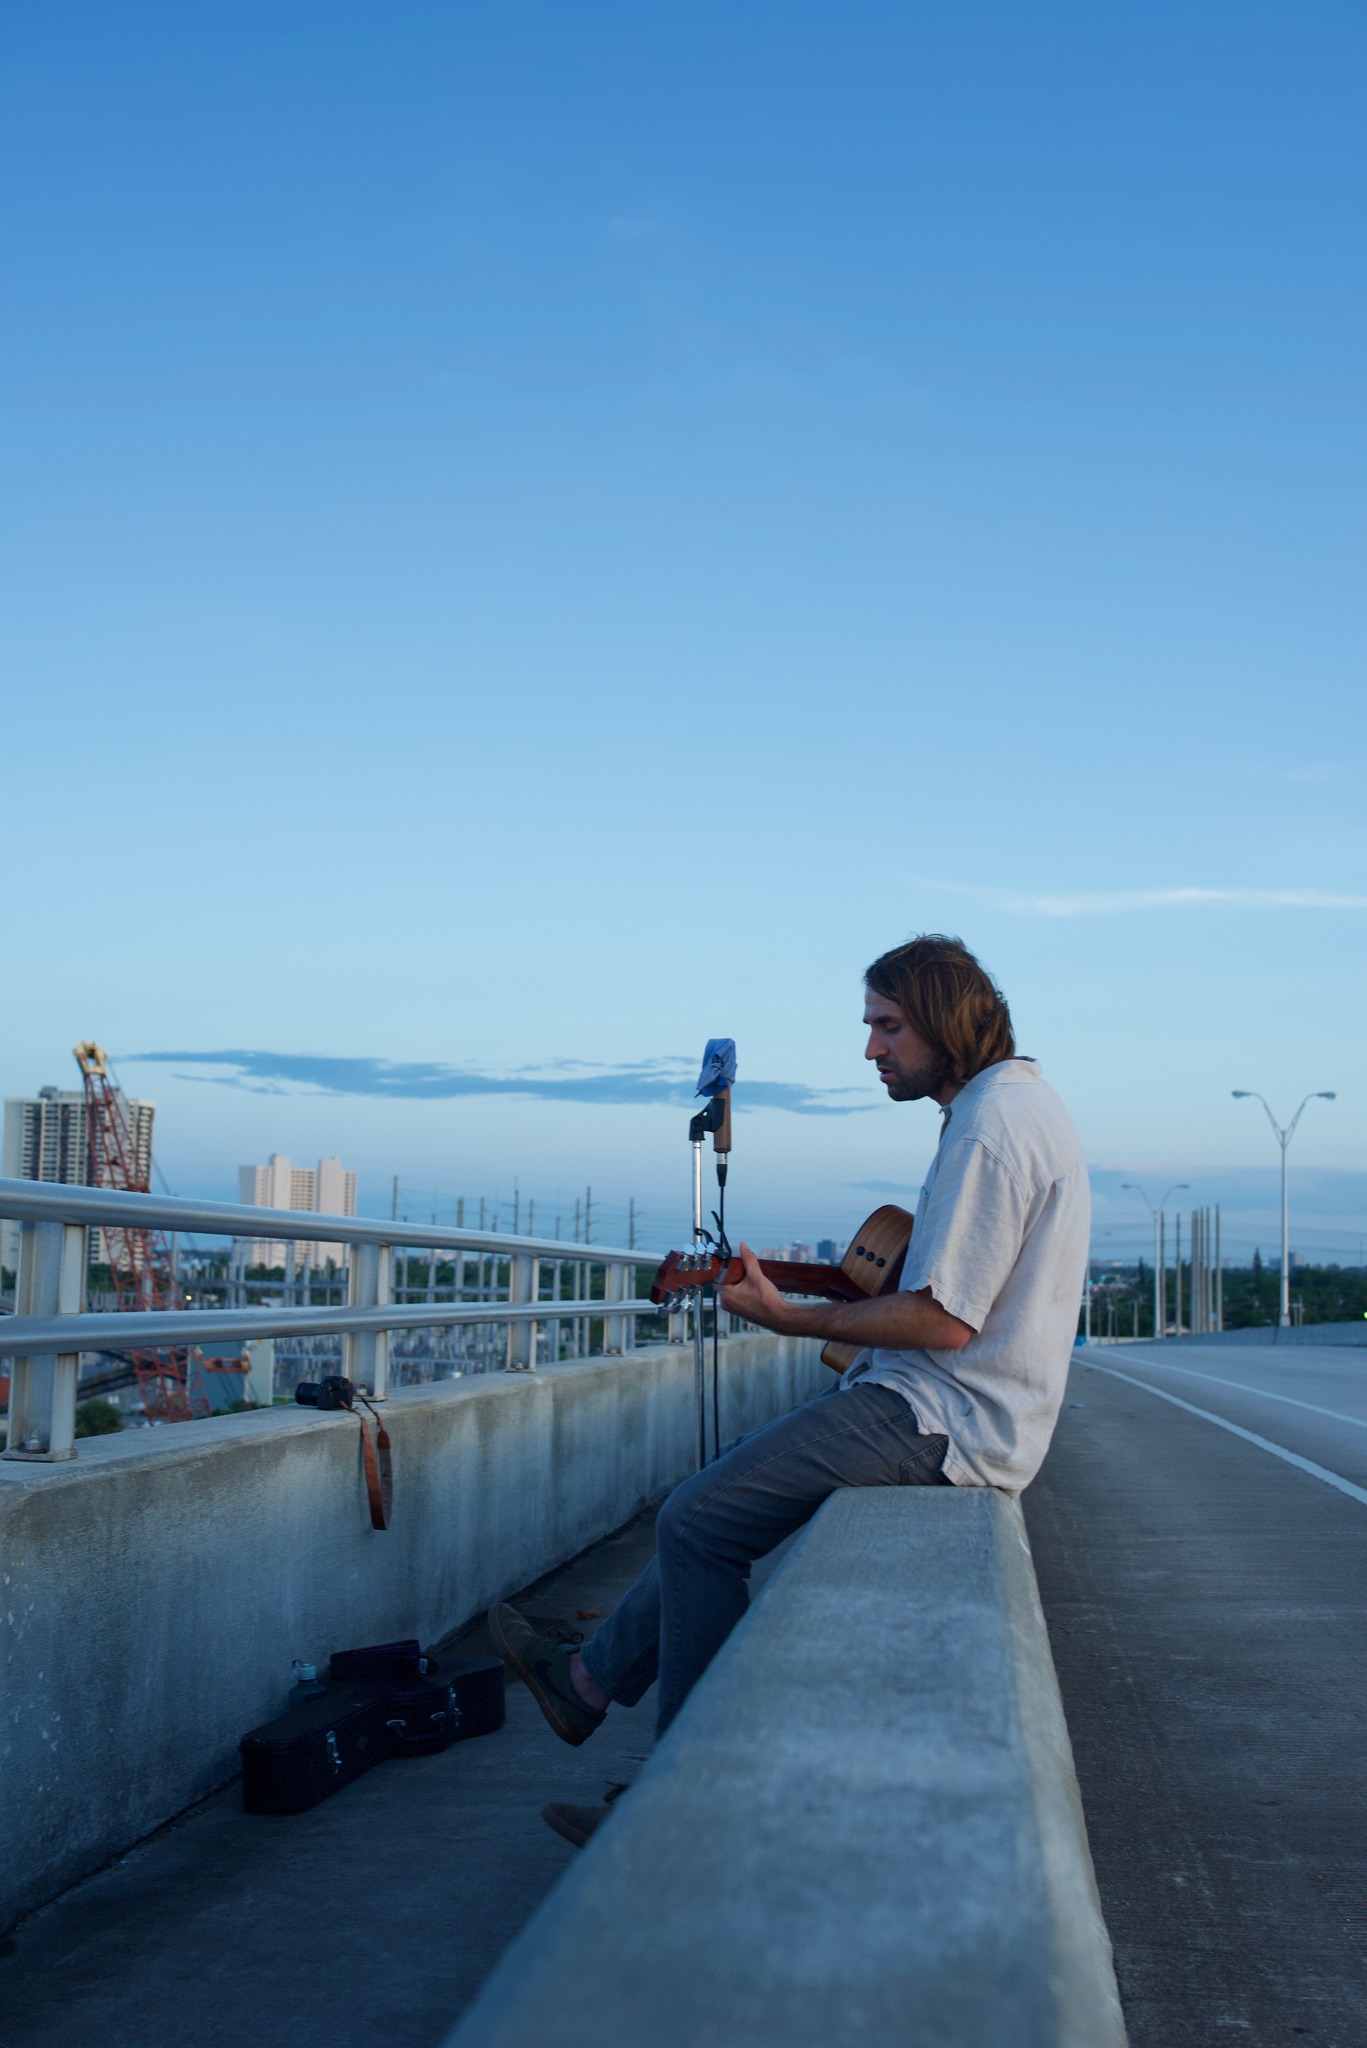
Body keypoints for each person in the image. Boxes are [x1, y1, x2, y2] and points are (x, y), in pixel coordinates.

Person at [488, 934, 1090, 1844]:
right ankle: (586, 1685)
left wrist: (790, 1320)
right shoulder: (1013, 1107)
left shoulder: (988, 1130)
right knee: (719, 1491)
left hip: (947, 1415)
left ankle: (682, 1803)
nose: (870, 1049)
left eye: (888, 1027)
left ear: (943, 1021)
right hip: (941, 1401)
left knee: (698, 1521)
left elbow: (944, 1321)